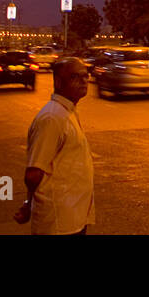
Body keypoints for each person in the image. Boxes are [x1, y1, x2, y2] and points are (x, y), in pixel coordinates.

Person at [14, 57, 94, 235]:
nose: (83, 81)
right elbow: (33, 173)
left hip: (73, 215)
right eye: (75, 77)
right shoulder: (52, 118)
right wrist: (28, 205)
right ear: (58, 82)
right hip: (59, 221)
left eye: (85, 76)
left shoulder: (67, 111)